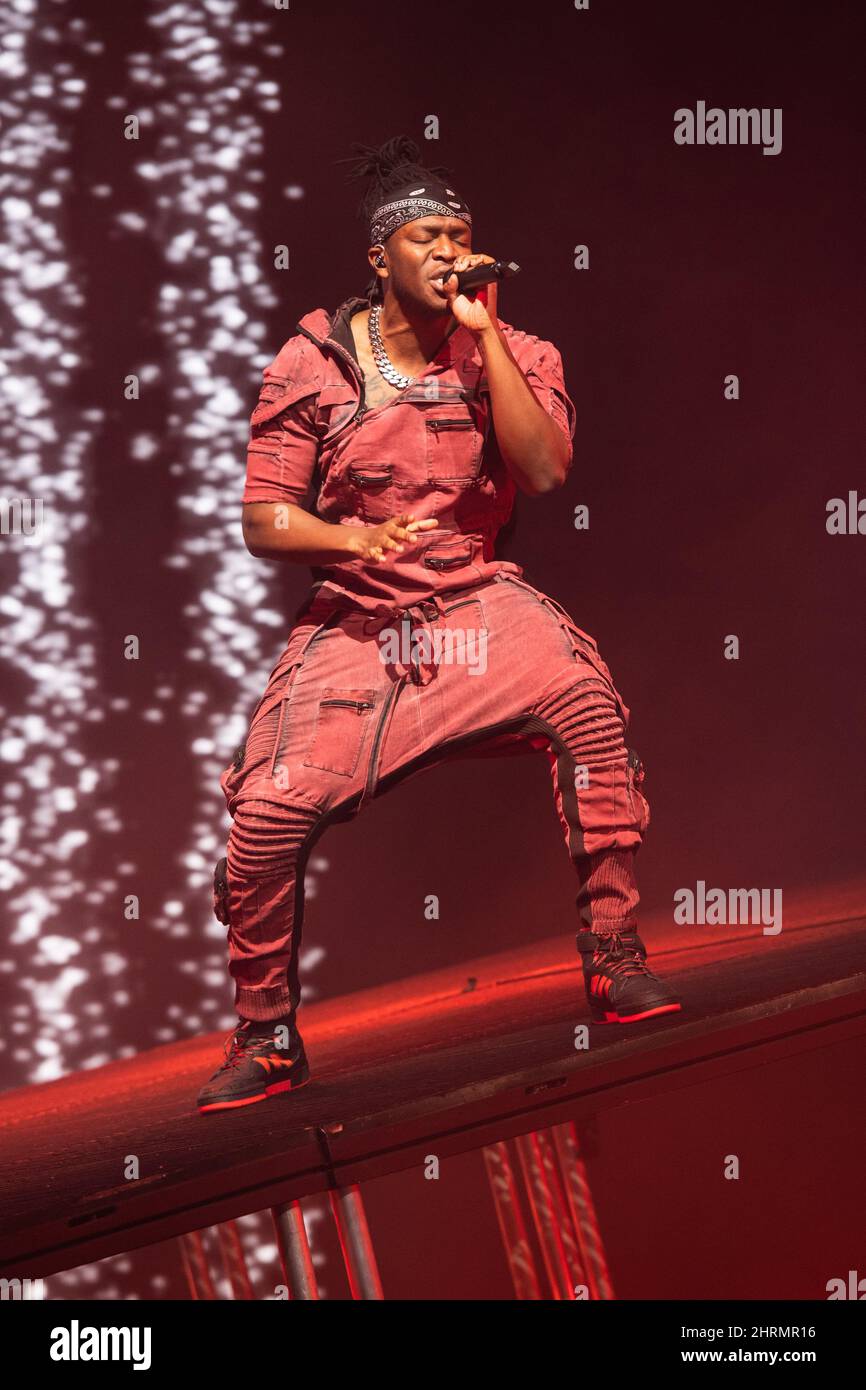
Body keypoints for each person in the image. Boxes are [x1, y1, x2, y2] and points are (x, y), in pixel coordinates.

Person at [196, 136, 681, 1114]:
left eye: (461, 236)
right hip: (357, 619)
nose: (450, 251)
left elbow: (541, 469)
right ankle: (264, 1033)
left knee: (583, 699)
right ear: (381, 256)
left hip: (471, 597)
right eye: (427, 236)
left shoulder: (514, 351)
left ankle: (612, 950)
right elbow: (261, 518)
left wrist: (486, 335)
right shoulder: (313, 362)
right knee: (263, 818)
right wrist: (350, 541)